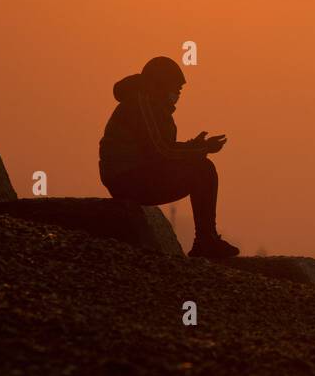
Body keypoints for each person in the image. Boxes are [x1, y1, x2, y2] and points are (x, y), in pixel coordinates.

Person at [98, 56, 239, 259]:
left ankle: (206, 239)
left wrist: (196, 146)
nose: (178, 93)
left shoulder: (152, 106)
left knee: (201, 167)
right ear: (160, 84)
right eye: (175, 88)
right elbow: (160, 152)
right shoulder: (140, 104)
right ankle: (206, 240)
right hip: (126, 178)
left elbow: (163, 148)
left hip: (136, 173)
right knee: (203, 170)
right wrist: (201, 151)